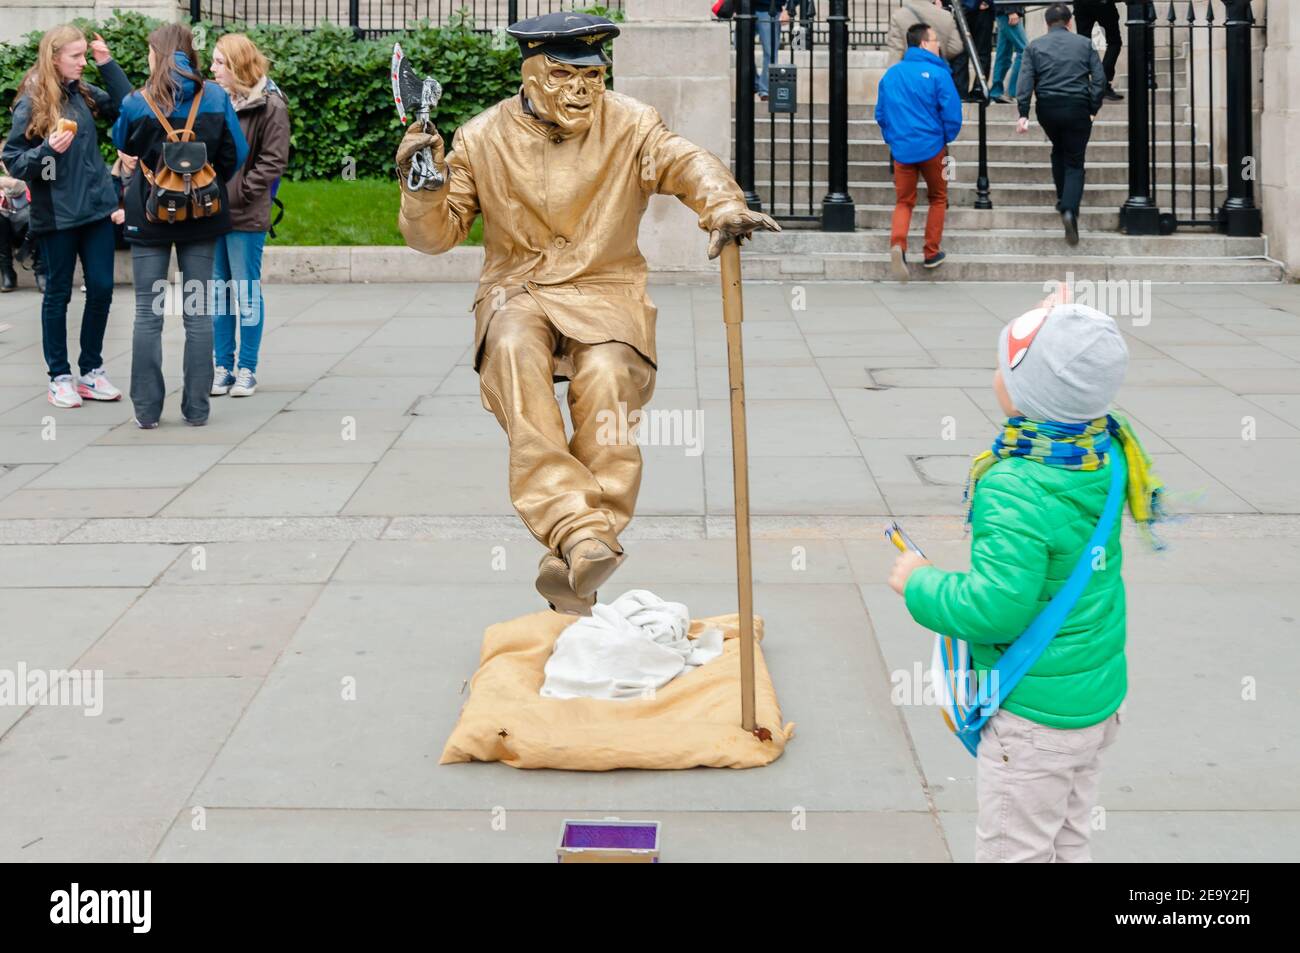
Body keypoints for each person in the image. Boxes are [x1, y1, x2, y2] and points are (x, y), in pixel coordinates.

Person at [395, 12, 777, 616]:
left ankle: (575, 544)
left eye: (594, 77)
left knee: (607, 378)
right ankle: (583, 533)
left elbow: (682, 159)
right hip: (518, 287)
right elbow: (435, 238)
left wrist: (724, 204)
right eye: (565, 75)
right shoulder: (479, 137)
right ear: (530, 73)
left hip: (606, 288)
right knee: (516, 348)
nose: (583, 91)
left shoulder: (630, 123)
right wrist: (423, 189)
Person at [888, 283, 1166, 862]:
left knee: (1014, 850)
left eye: (1004, 366)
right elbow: (1074, 372)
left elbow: (996, 608)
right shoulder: (1103, 447)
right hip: (1090, 700)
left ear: (1019, 390)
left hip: (1034, 719)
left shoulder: (1016, 484)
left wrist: (919, 581)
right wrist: (1058, 321)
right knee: (1066, 838)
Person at [110, 22, 248, 429]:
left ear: (159, 53)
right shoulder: (216, 95)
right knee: (198, 312)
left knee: (147, 314)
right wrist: (202, 180)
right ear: (190, 51)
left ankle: (147, 412)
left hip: (150, 213)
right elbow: (235, 154)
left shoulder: (138, 100)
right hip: (202, 215)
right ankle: (197, 410)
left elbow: (124, 142)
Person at [2, 26, 132, 408]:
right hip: (57, 216)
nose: (82, 62)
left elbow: (128, 106)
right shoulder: (32, 102)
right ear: (54, 57)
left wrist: (107, 63)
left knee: (103, 289)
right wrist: (48, 152)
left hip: (96, 210)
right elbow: (17, 163)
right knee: (57, 294)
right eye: (76, 56)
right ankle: (59, 376)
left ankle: (91, 371)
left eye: (83, 55)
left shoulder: (85, 93)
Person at [208, 32, 290, 399]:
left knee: (245, 291)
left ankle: (247, 369)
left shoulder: (270, 104)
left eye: (219, 62)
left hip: (244, 212)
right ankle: (222, 366)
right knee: (218, 293)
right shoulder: (213, 100)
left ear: (237, 65)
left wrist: (237, 193)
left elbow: (273, 161)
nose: (212, 69)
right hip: (210, 210)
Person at [875, 22, 963, 281]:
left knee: (904, 201)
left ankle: (898, 245)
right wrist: (945, 138)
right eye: (935, 40)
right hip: (934, 147)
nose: (939, 45)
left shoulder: (891, 74)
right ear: (924, 43)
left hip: (902, 149)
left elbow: (881, 114)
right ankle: (931, 252)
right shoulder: (939, 74)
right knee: (938, 197)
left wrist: (893, 138)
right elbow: (952, 113)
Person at [1016, 3, 1105, 246]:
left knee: (1058, 149)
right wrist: (1093, 108)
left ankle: (1062, 199)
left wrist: (1023, 112)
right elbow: (1099, 79)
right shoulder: (1085, 44)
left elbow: (1025, 81)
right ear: (1070, 22)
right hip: (1077, 107)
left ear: (1046, 24)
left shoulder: (1034, 46)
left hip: (1048, 108)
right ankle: (1068, 208)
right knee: (1075, 161)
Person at [886, 0, 963, 65]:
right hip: (936, 67)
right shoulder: (945, 15)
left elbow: (896, 52)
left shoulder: (898, 16)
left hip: (909, 70)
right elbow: (956, 46)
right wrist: (937, 52)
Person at [1075, 0, 1125, 102]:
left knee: (1083, 44)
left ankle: (1084, 85)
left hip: (1081, 4)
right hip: (1103, 4)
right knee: (1114, 42)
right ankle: (1103, 83)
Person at [954, 0, 994, 101]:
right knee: (960, 51)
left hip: (979, 8)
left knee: (981, 51)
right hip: (961, 7)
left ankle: (978, 89)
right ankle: (963, 90)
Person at [987, 4, 1027, 104]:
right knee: (1025, 51)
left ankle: (996, 92)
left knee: (1003, 54)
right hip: (1008, 10)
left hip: (1005, 11)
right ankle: (1012, 92)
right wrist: (1011, 11)